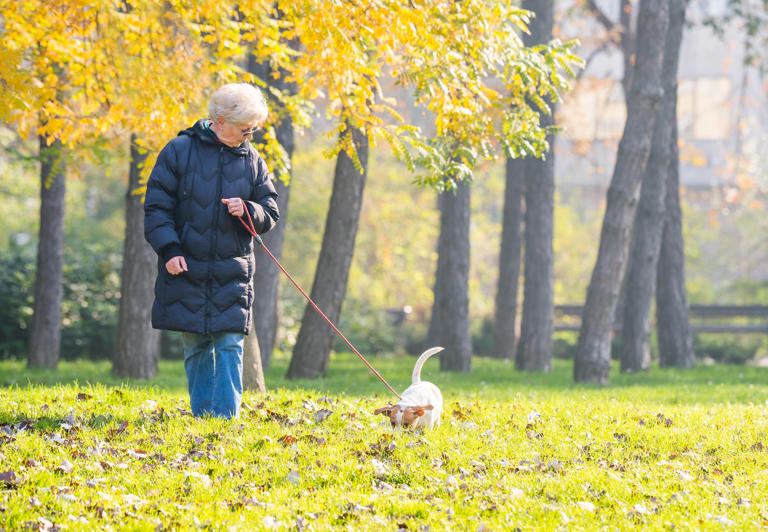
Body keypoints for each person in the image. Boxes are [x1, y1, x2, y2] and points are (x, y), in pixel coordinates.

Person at [144, 83, 279, 419]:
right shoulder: (178, 151)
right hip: (186, 266)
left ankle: (225, 420)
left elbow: (270, 211)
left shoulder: (253, 160)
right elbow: (156, 209)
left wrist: (249, 209)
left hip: (232, 271)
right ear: (219, 121)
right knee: (197, 345)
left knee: (231, 343)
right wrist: (169, 249)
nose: (250, 136)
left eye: (254, 129)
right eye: (245, 129)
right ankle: (203, 417)